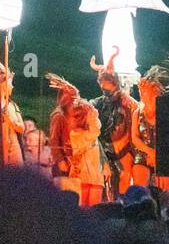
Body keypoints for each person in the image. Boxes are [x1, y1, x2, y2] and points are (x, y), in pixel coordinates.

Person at [90, 50, 146, 195]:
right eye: (103, 88)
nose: (106, 91)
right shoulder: (97, 104)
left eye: (108, 87)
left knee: (124, 175)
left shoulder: (129, 104)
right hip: (102, 149)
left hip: (125, 149)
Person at [47, 73, 105, 206]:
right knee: (72, 197)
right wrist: (60, 159)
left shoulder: (81, 116)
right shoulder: (59, 116)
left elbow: (95, 138)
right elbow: (54, 140)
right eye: (72, 98)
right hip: (69, 160)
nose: (75, 101)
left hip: (84, 160)